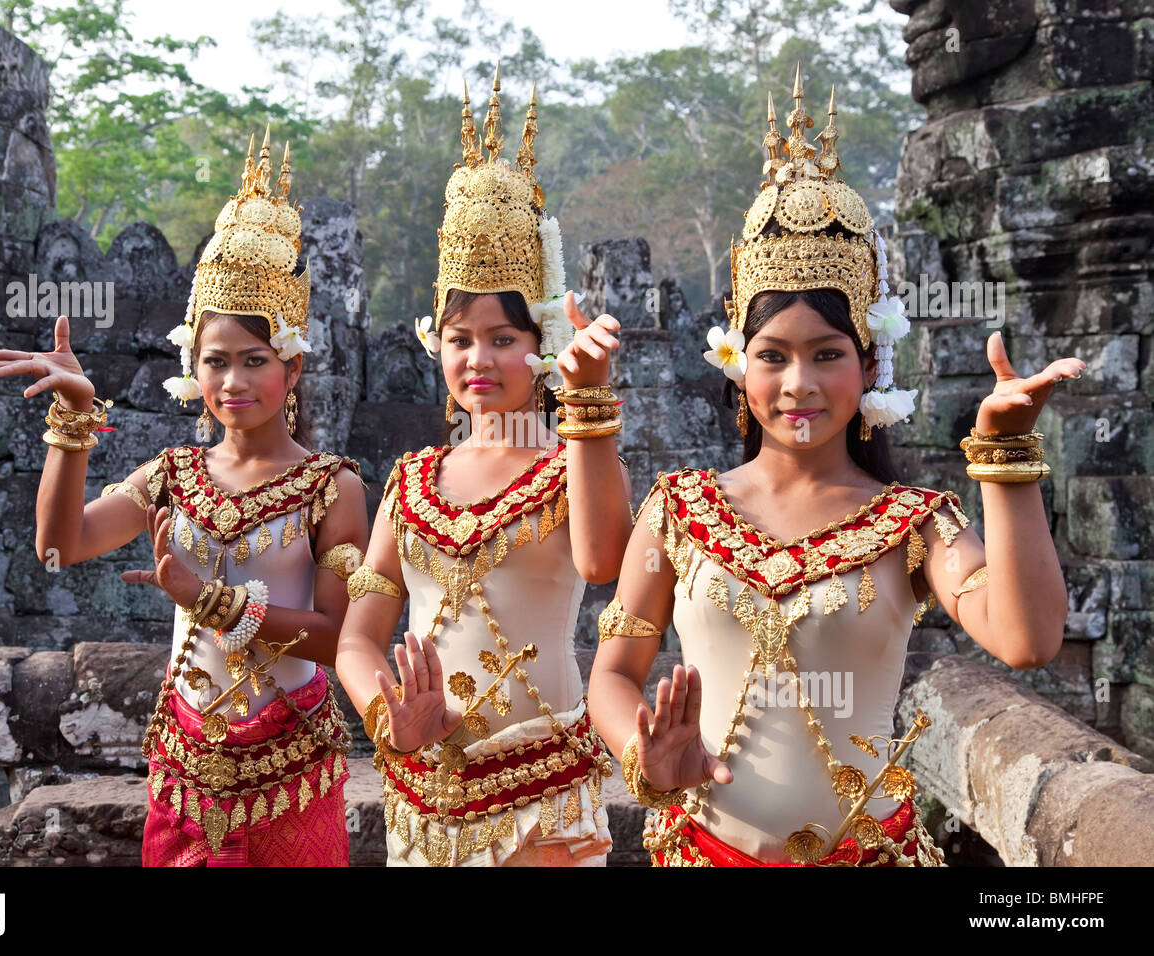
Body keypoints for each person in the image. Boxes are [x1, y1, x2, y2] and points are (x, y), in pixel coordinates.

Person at [588, 70, 1084, 867]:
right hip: (701, 850)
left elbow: (1026, 639)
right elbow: (613, 672)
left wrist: (1006, 460)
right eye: (772, 357)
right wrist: (644, 755)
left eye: (828, 355)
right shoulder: (678, 510)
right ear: (738, 368)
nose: (799, 385)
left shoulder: (916, 524)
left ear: (869, 366)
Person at [0, 131, 368, 866]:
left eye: (255, 361)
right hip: (184, 765)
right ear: (193, 368)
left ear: (291, 369)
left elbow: (336, 638)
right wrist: (73, 421)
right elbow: (59, 546)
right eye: (216, 361)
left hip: (289, 771)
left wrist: (209, 598)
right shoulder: (172, 475)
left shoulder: (332, 487)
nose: (234, 383)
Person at [334, 70, 633, 866]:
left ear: (541, 343)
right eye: (461, 336)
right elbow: (358, 640)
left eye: (503, 338)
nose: (478, 358)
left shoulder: (574, 462)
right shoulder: (411, 481)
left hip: (546, 803)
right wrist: (385, 717)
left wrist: (590, 412)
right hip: (424, 797)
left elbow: (603, 561)